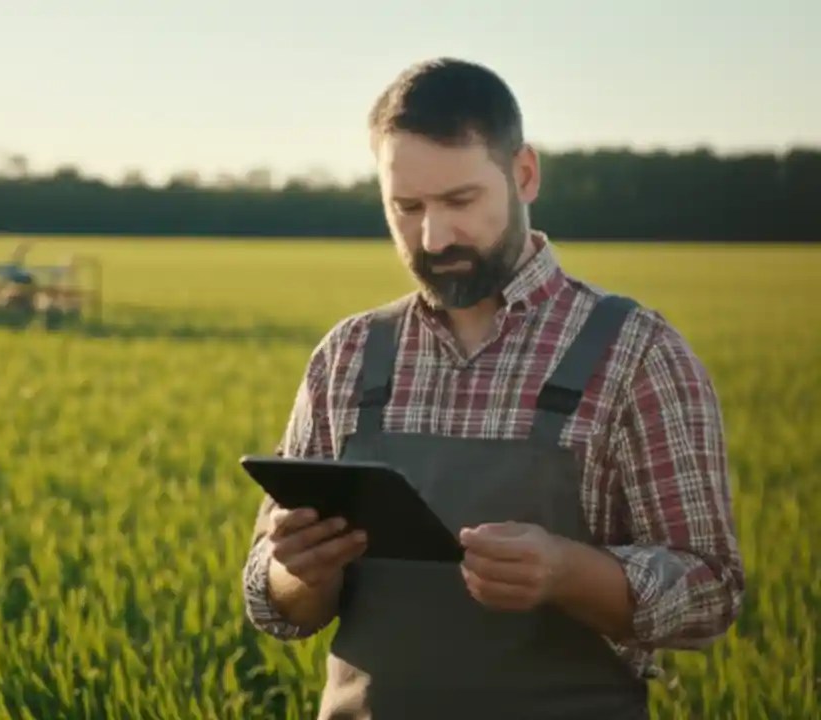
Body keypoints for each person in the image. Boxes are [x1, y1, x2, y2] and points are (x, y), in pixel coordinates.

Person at [241, 57, 745, 719]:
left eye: (459, 201)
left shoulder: (637, 352)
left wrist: (569, 571)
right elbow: (272, 602)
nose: (433, 235)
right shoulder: (348, 355)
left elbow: (712, 594)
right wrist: (298, 570)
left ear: (524, 174)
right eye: (407, 207)